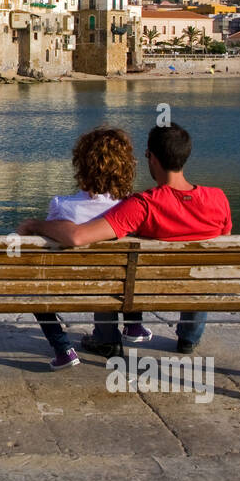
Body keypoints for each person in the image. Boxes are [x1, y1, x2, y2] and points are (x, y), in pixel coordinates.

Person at [18, 122, 231, 356]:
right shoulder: (218, 198)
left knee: (113, 266)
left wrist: (36, 225)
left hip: (145, 289)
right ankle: (188, 338)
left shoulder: (143, 205)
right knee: (198, 270)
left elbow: (77, 237)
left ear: (151, 157)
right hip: (190, 286)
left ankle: (104, 338)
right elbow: (223, 243)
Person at [27, 126, 153, 370]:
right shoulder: (135, 208)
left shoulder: (62, 207)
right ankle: (133, 324)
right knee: (123, 271)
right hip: (121, 289)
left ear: (81, 165)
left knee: (33, 287)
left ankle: (63, 349)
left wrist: (34, 226)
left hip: (70, 287)